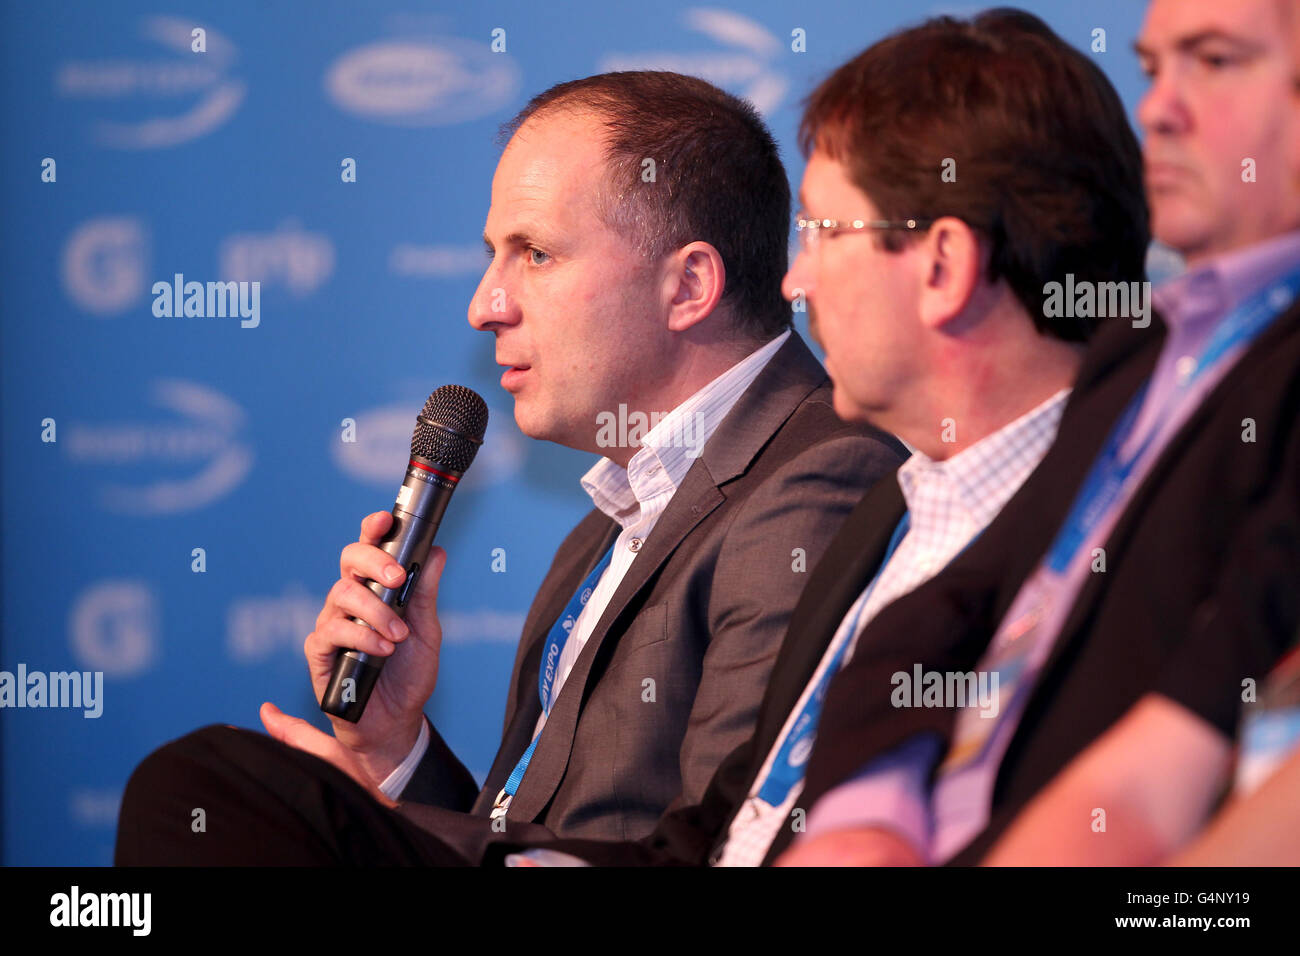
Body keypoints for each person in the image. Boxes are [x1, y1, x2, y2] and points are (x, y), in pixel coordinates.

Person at [113, 71, 904, 865]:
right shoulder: (599, 533)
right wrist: (393, 756)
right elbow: (536, 842)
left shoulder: (815, 486)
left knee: (201, 787)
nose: (485, 303)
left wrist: (352, 825)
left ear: (689, 284)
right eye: (495, 255)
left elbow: (726, 851)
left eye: (536, 253)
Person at [493, 7, 1151, 869]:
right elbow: (726, 833)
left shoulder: (1125, 521)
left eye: (822, 231)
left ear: (943, 267)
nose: (796, 280)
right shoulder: (896, 518)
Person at [784, 0, 1300, 867]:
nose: (1159, 109)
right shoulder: (1139, 351)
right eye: (1153, 67)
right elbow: (939, 614)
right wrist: (864, 817)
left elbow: (1206, 723)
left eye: (1212, 61)